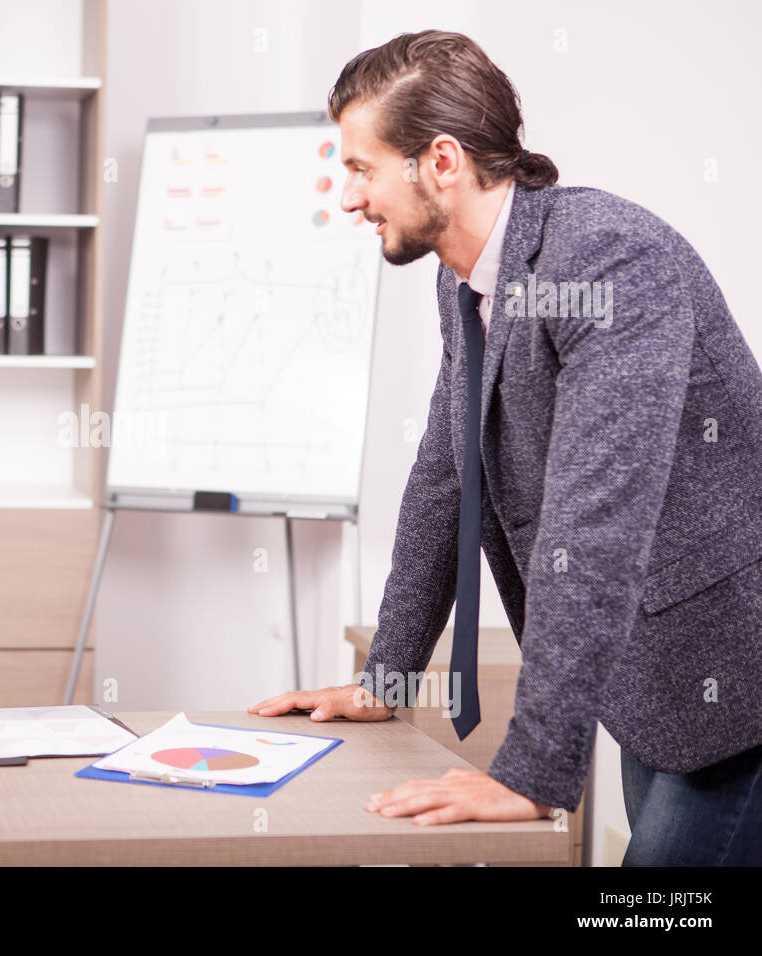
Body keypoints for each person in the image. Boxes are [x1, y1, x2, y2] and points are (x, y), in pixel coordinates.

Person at [250, 30, 762, 865]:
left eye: (362, 168)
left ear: (440, 161)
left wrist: (534, 771)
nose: (350, 199)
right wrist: (389, 676)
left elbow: (594, 521)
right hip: (652, 680)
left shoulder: (604, 258)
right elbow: (445, 476)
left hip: (734, 671)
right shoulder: (466, 276)